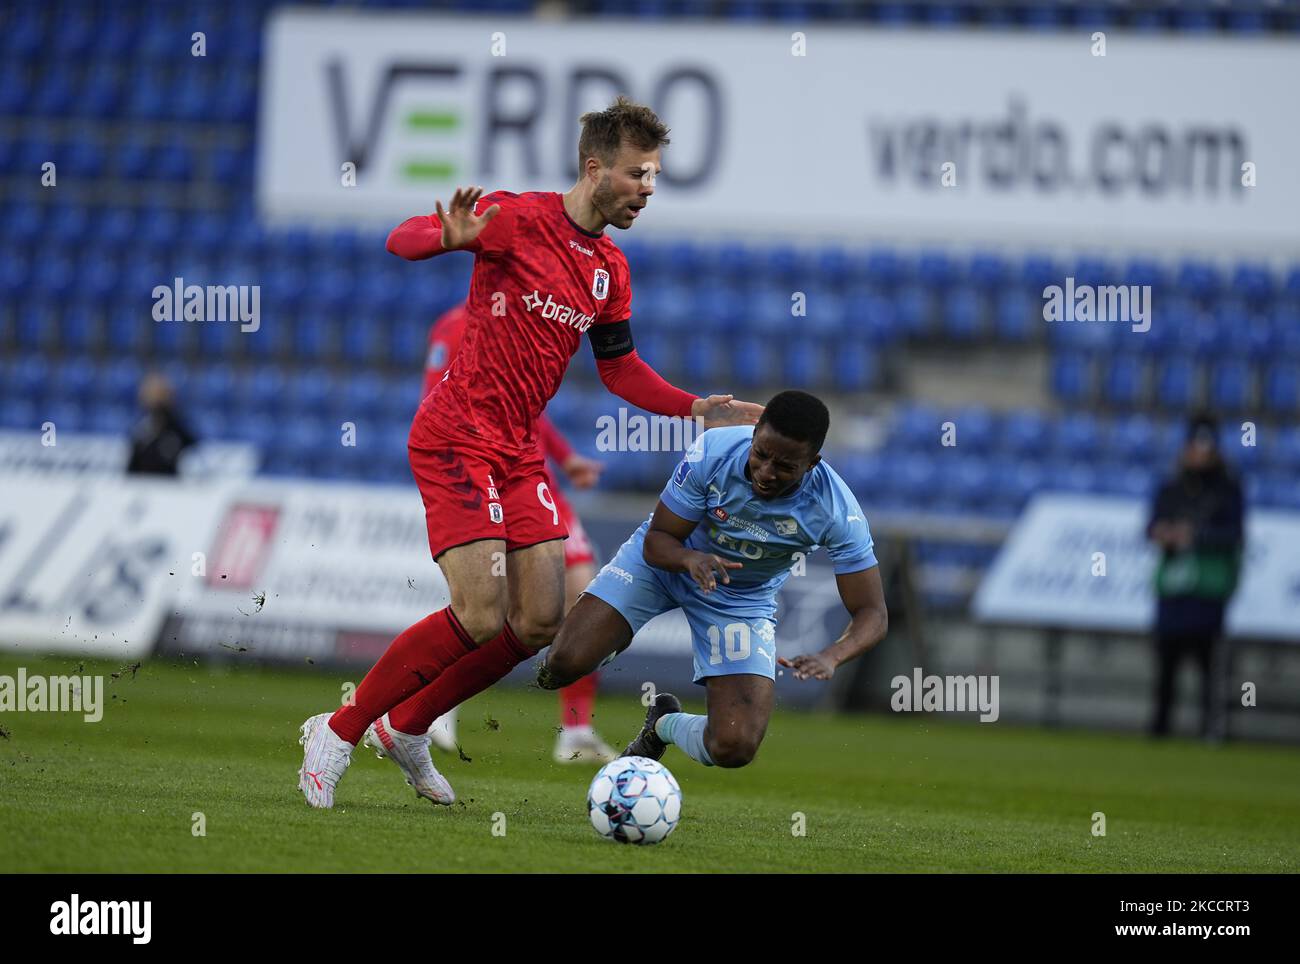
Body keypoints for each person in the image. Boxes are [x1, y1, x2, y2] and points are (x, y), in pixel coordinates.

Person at [299, 97, 762, 808]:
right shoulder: (519, 217)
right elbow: (400, 239)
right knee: (480, 614)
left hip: (516, 452)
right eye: (639, 173)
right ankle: (338, 728)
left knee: (542, 620)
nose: (649, 188)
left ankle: (409, 726)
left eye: (655, 176)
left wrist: (694, 407)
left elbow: (619, 369)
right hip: (456, 434)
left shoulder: (609, 268)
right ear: (594, 167)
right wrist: (447, 239)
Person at [538, 391, 889, 771]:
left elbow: (872, 613)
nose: (766, 472)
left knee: (734, 746)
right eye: (761, 454)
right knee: (563, 663)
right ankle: (610, 634)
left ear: (812, 463)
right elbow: (658, 542)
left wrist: (831, 656)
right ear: (754, 435)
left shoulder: (837, 511)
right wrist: (691, 559)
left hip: (740, 597)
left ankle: (662, 725)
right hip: (665, 563)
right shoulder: (713, 450)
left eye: (785, 466)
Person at [372, 301, 617, 764]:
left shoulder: (529, 315)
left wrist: (565, 460)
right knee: (490, 611)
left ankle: (576, 730)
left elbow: (526, 406)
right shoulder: (457, 324)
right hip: (480, 471)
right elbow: (439, 398)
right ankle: (434, 706)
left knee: (584, 596)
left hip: (530, 474)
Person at [1146, 413, 1244, 740]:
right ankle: (1160, 729)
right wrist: (1165, 534)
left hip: (1207, 587)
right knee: (1166, 666)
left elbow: (1234, 535)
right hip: (1173, 587)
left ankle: (1211, 730)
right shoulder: (1171, 487)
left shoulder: (1229, 490)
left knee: (1209, 666)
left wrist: (1196, 536)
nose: (1199, 453)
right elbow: (1150, 527)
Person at [125, 373, 196, 476]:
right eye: (151, 393)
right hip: (144, 486)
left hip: (173, 488)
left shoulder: (179, 429)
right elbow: (131, 467)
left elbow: (192, 455)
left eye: (160, 394)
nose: (156, 400)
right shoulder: (141, 428)